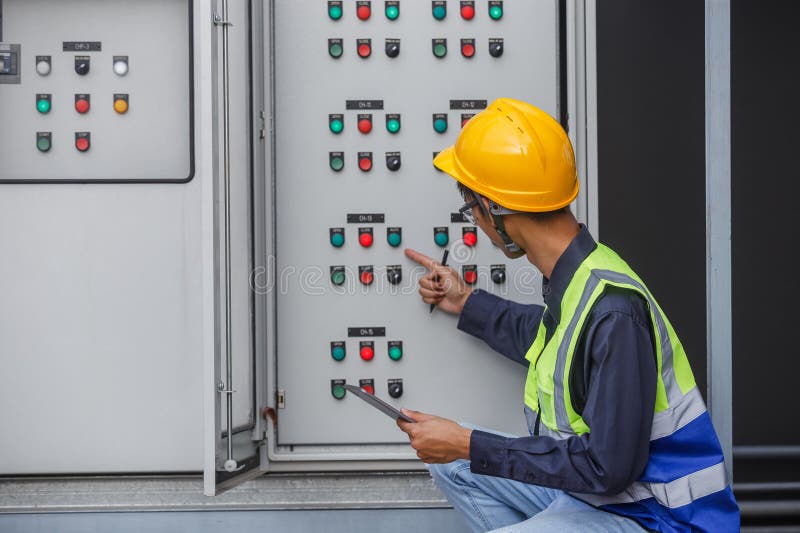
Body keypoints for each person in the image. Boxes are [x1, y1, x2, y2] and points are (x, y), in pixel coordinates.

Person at [397, 98, 740, 532]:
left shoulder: (614, 311)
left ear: (495, 208)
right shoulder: (581, 274)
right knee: (456, 466)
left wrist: (467, 443)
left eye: (472, 207)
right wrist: (466, 302)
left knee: (466, 452)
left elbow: (608, 467)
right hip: (601, 499)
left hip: (657, 517)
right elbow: (548, 342)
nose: (477, 223)